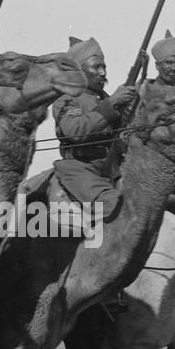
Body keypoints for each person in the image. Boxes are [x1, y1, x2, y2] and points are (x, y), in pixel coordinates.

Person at [51, 36, 136, 223]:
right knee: (117, 208)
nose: (103, 72)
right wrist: (112, 104)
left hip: (112, 169)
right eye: (96, 67)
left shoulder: (105, 98)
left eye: (104, 67)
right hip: (80, 170)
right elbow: (75, 130)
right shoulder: (67, 99)